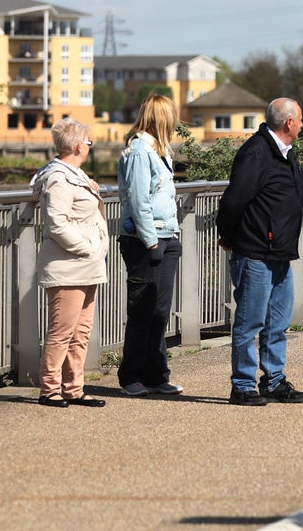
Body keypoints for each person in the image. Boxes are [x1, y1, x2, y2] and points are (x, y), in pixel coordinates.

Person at [216, 98, 303, 406]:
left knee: (278, 322)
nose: (302, 125)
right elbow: (234, 200)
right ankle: (242, 385)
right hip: (255, 250)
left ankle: (274, 380)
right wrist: (229, 237)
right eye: (300, 120)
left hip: (280, 252)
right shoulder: (256, 152)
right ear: (288, 123)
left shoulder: (286, 153)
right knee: (250, 322)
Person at [30, 118, 108, 408]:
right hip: (69, 266)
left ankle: (74, 388)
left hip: (86, 265)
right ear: (78, 146)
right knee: (62, 331)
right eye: (88, 142)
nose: (89, 146)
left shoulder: (74, 174)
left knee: (81, 332)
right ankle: (49, 390)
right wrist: (87, 248)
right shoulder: (58, 178)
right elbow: (57, 223)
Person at [115, 94, 184, 397]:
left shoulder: (160, 150)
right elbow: (139, 200)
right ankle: (131, 376)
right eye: (172, 117)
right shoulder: (139, 152)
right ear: (162, 118)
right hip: (147, 240)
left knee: (159, 312)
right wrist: (152, 242)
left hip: (166, 236)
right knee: (142, 310)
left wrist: (172, 238)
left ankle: (156, 375)